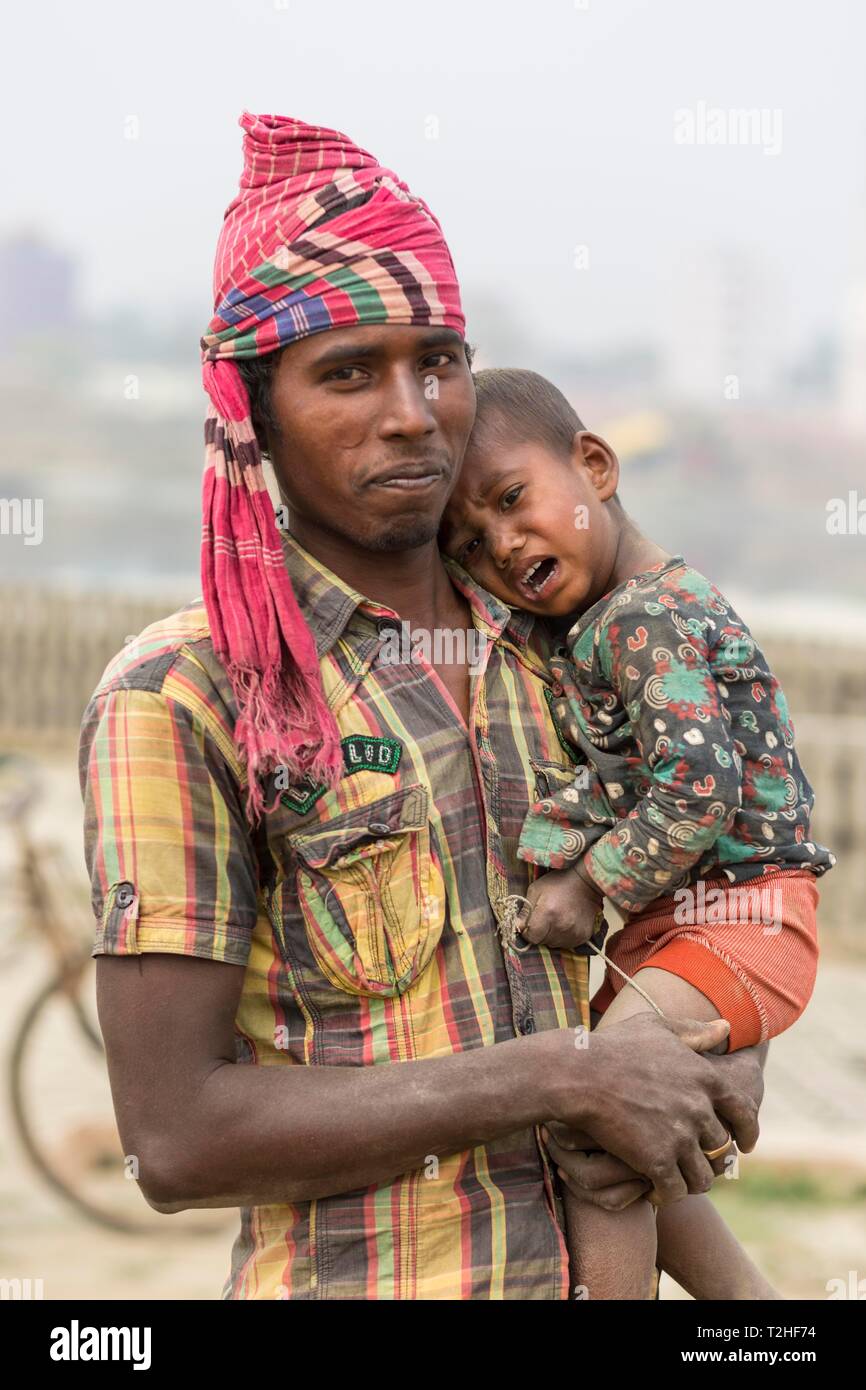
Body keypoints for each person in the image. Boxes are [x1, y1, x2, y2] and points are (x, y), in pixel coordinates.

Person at [79, 113, 765, 1301]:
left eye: (435, 361)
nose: (413, 412)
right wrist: (558, 1074)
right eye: (347, 373)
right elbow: (175, 1138)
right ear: (253, 409)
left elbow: (703, 918)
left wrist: (730, 1033)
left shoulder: (569, 649)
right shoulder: (185, 696)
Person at [440, 366, 835, 1298]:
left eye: (512, 499)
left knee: (595, 1106)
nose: (501, 542)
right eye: (469, 541)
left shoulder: (641, 620)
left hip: (742, 919)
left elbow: (698, 789)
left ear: (596, 467)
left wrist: (591, 881)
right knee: (634, 1137)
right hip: (703, 925)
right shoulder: (591, 624)